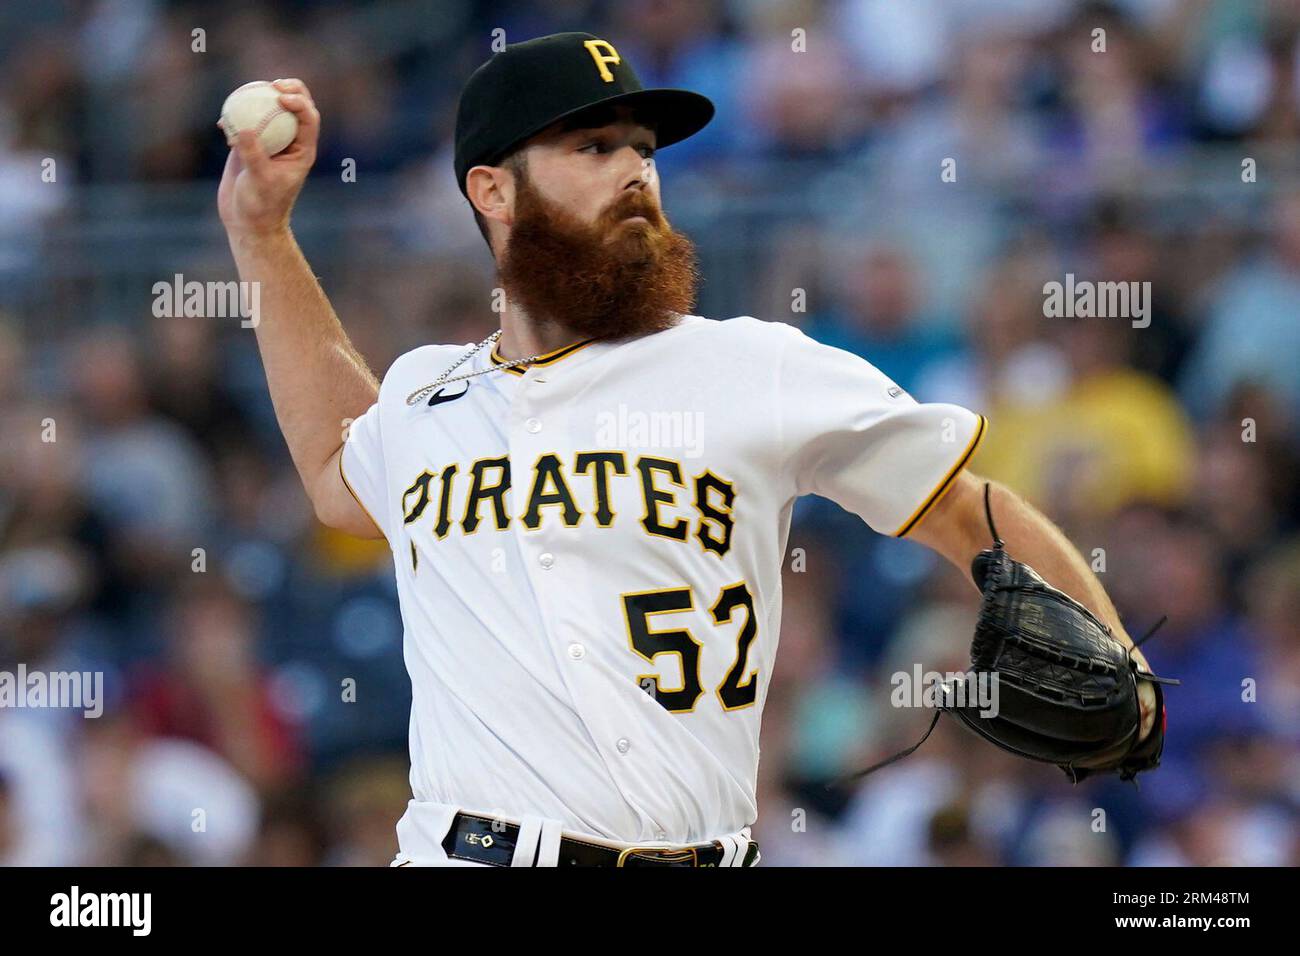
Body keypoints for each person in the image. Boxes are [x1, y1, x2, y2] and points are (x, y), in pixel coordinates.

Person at [218, 32, 1158, 867]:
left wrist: (1121, 657)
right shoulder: (429, 392)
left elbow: (969, 507)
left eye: (644, 148)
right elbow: (345, 470)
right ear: (492, 189)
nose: (636, 169)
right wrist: (262, 234)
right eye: (593, 146)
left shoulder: (751, 367)